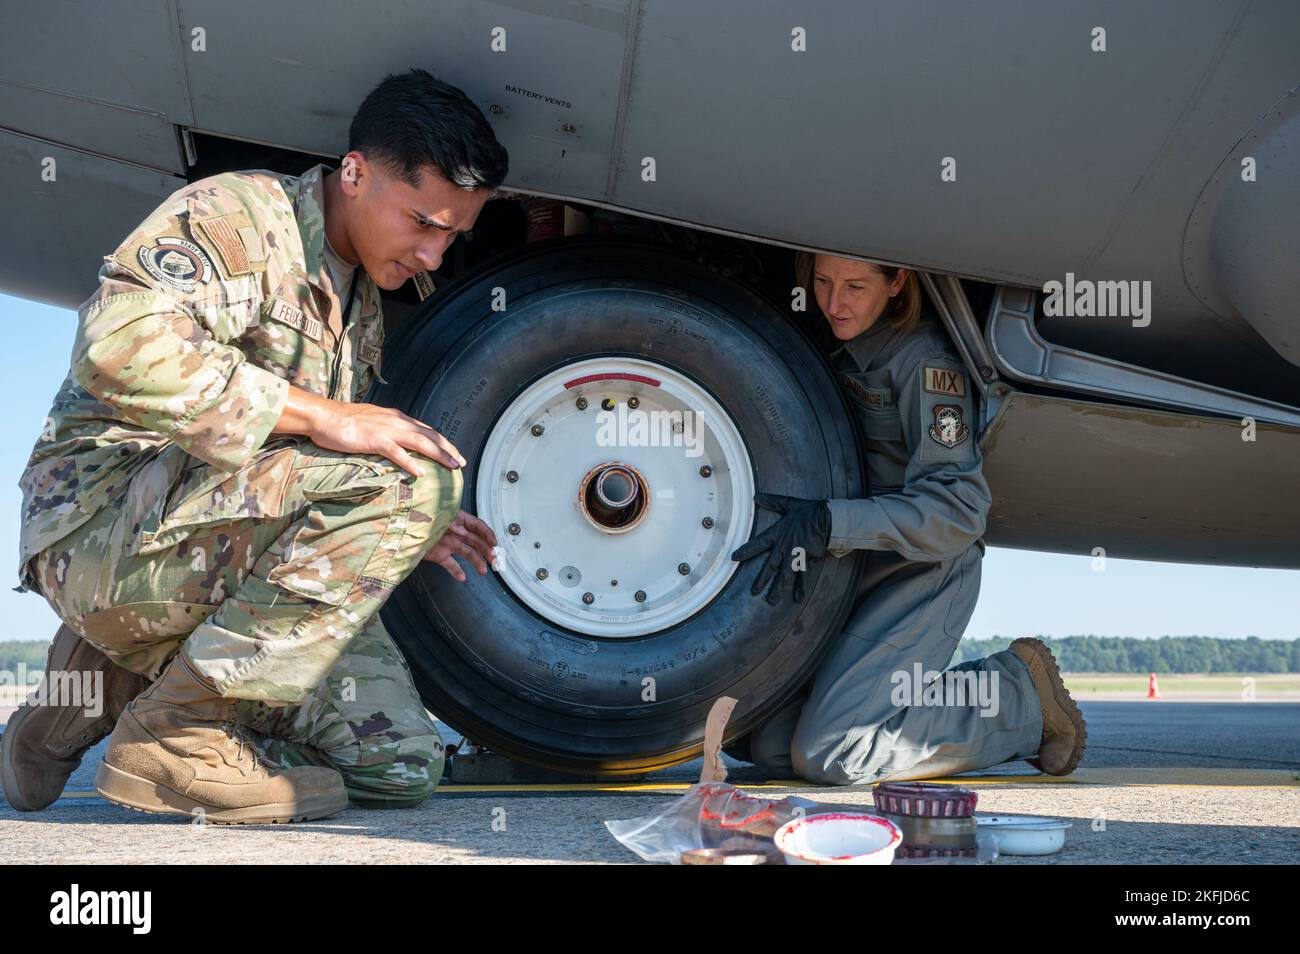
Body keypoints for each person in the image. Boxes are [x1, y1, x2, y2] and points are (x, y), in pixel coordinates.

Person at [2, 69, 509, 822]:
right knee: (408, 481)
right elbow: (115, 345)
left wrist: (398, 524)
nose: (434, 255)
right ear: (356, 173)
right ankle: (176, 735)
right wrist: (325, 421)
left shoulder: (360, 294)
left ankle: (107, 684)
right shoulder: (239, 217)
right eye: (423, 223)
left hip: (193, 537)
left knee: (399, 767)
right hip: (102, 528)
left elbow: (302, 476)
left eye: (452, 235)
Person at [729, 252, 1087, 785]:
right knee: (773, 746)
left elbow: (959, 511)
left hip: (922, 571)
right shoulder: (829, 343)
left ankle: (1018, 698)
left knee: (834, 754)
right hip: (858, 574)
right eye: (823, 282)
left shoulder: (924, 363)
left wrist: (832, 523)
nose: (833, 302)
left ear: (897, 282)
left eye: (854, 286)